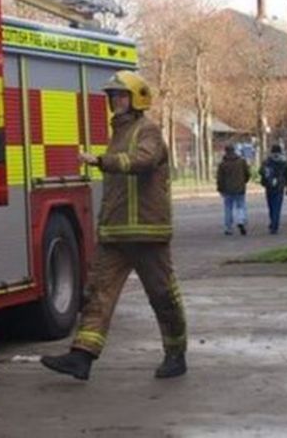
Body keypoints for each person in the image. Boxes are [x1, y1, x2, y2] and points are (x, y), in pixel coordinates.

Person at [41, 70, 187, 381]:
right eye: (112, 97)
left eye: (120, 96)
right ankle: (81, 357)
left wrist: (101, 161)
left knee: (162, 295)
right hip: (116, 234)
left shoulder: (148, 131)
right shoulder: (117, 133)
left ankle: (175, 353)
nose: (115, 101)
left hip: (147, 233)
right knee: (99, 295)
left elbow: (143, 161)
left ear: (136, 99)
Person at [216, 144, 251, 235]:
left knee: (228, 208)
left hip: (227, 189)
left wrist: (220, 189)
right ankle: (240, 221)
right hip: (240, 188)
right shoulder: (241, 162)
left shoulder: (223, 164)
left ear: (225, 151)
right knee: (240, 206)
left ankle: (228, 228)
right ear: (234, 150)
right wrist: (244, 182)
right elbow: (247, 174)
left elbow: (220, 178)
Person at [259, 144, 287, 234]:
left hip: (269, 186)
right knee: (277, 207)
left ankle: (273, 222)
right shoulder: (284, 162)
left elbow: (261, 171)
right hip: (280, 186)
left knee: (271, 206)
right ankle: (275, 224)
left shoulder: (267, 161)